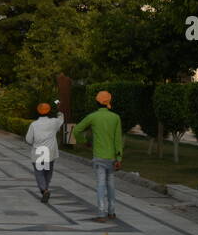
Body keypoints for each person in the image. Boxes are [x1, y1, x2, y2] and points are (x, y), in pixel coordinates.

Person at [73, 90, 124, 222]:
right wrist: (119, 158)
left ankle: (101, 214)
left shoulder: (93, 116)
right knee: (111, 184)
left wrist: (84, 142)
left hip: (99, 156)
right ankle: (112, 212)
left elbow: (77, 129)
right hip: (112, 157)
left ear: (97, 102)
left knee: (101, 184)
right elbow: (118, 140)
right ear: (109, 102)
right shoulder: (115, 117)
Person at [25, 101, 64, 203]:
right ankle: (45, 188)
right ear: (49, 111)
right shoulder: (54, 122)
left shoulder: (34, 124)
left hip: (38, 151)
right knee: (48, 172)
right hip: (50, 152)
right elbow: (61, 119)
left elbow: (28, 139)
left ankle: (44, 189)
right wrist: (59, 110)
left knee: (39, 172)